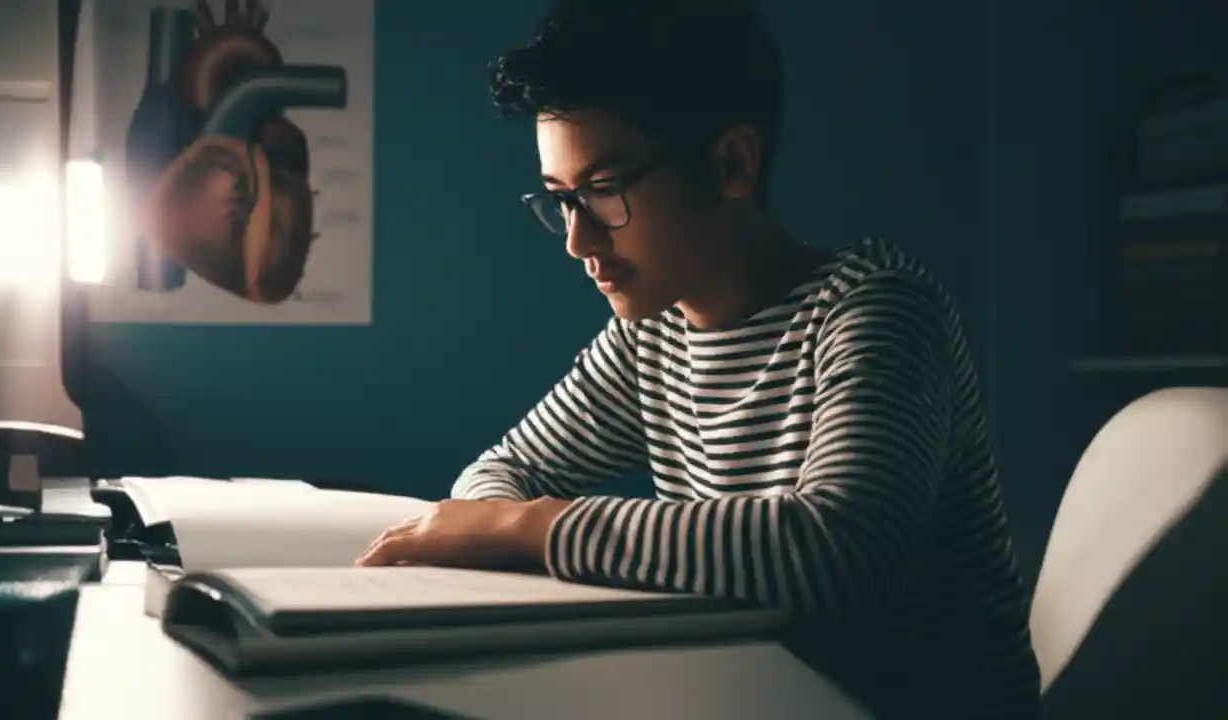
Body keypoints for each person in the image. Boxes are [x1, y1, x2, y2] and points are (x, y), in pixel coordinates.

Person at [356, 0, 1041, 716]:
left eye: (604, 191)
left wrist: (526, 528)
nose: (578, 242)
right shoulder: (652, 336)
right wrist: (498, 517)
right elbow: (502, 471)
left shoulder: (875, 311)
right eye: (560, 200)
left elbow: (838, 549)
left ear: (731, 163)